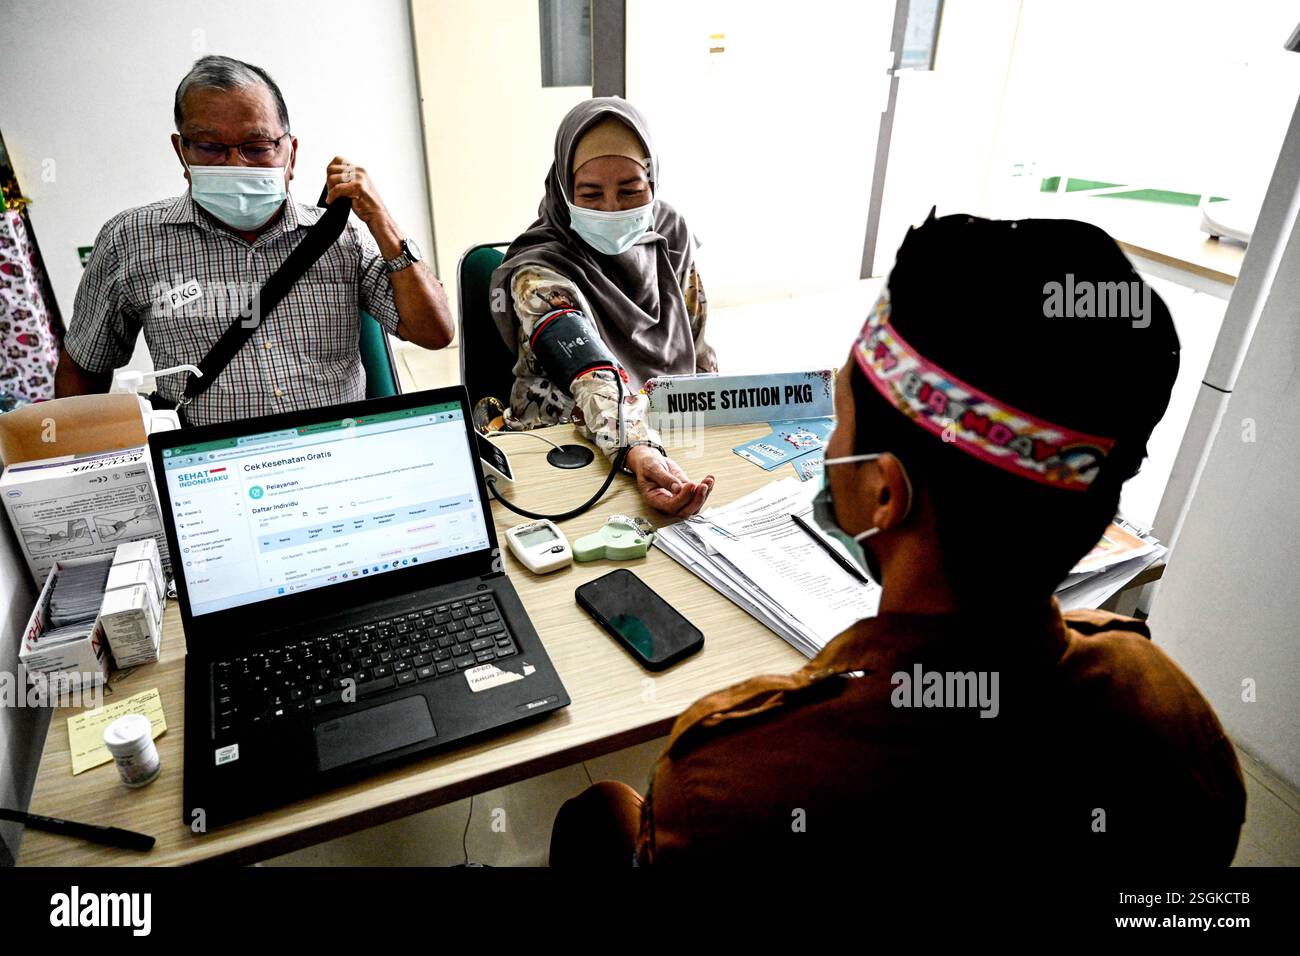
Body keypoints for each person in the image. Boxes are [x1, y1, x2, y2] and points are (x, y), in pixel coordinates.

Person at [549, 213, 1246, 867]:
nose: (829, 447)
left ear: (885, 492)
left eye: (841, 417)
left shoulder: (728, 779)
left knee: (598, 813)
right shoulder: (1175, 721)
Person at [56, 55, 452, 424]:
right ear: (181, 152)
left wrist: (381, 221)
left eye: (257, 147)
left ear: (291, 154)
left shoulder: (340, 235)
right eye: (211, 148)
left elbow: (435, 333)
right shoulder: (129, 241)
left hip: (337, 458)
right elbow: (83, 369)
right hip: (210, 466)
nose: (235, 164)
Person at [490, 97, 717, 517]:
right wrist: (639, 450)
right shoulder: (539, 269)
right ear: (563, 189)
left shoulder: (670, 234)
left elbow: (699, 348)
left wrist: (720, 415)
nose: (612, 208)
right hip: (565, 441)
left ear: (653, 183)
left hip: (671, 429)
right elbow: (587, 369)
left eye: (630, 191)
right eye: (590, 194)